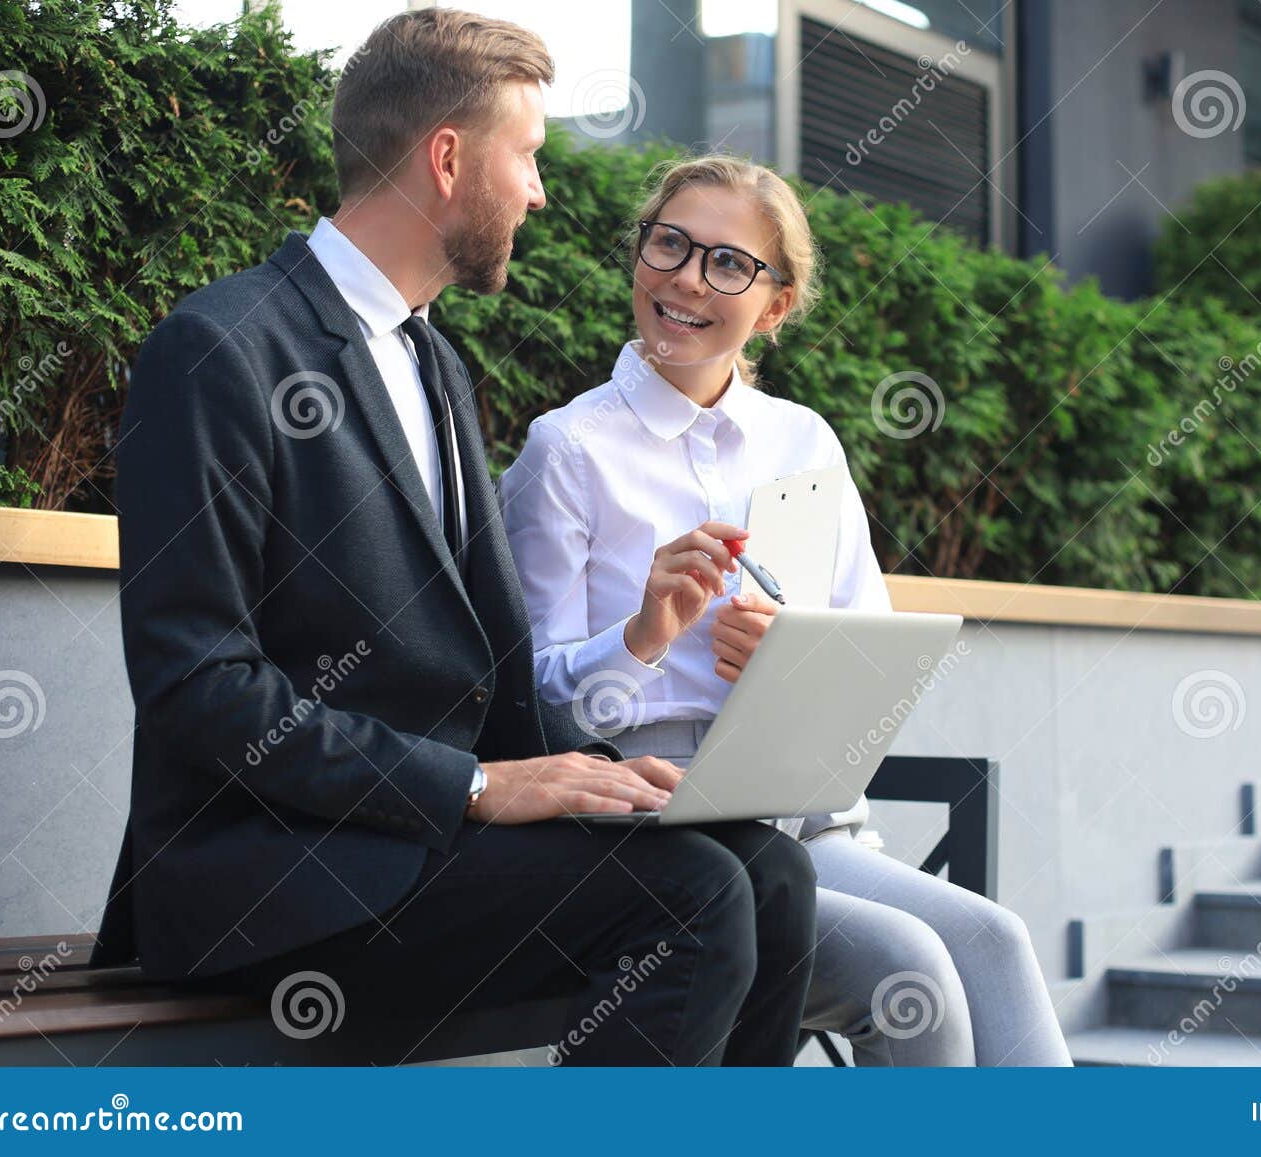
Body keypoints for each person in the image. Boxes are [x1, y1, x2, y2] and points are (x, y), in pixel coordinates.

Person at [88, 10, 816, 1067]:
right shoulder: (221, 350)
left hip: (416, 843)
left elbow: (486, 668)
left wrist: (588, 774)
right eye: (525, 156)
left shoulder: (427, 360)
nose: (538, 191)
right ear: (447, 160)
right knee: (694, 897)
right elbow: (200, 688)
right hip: (278, 873)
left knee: (768, 872)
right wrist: (477, 787)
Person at [501, 154, 1073, 1066]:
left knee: (995, 943)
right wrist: (643, 635)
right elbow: (523, 707)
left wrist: (794, 656)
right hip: (654, 825)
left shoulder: (804, 442)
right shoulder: (569, 450)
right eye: (670, 245)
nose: (688, 277)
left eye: (728, 263)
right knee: (911, 973)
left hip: (796, 817)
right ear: (638, 257)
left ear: (773, 306)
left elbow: (874, 660)